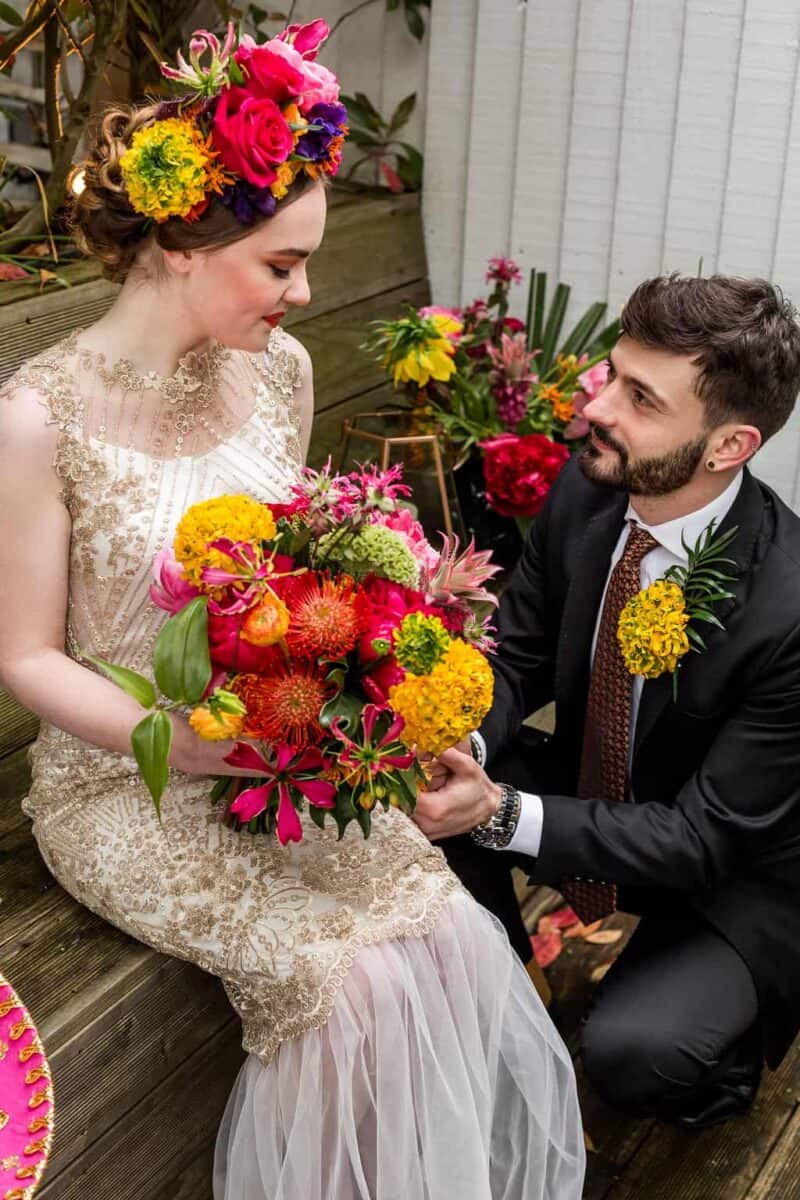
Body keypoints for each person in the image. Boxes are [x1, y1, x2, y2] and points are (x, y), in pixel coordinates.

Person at [0, 20, 585, 1200]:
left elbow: (303, 574)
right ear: (176, 241)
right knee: (345, 982)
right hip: (130, 786)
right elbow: (24, 658)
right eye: (279, 266)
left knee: (434, 922)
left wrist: (364, 686)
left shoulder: (281, 373)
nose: (304, 293)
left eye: (309, 262)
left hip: (284, 758)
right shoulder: (33, 421)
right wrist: (207, 743)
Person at [417, 273, 800, 1131]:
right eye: (610, 375)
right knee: (421, 784)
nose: (596, 407)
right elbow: (511, 659)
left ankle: (722, 1047)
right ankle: (509, 993)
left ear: (728, 446)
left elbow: (706, 839)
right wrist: (464, 754)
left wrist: (501, 812)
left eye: (639, 397)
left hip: (733, 867)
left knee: (638, 1053)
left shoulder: (790, 608)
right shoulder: (588, 489)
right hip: (601, 786)